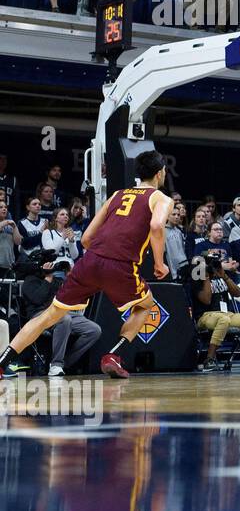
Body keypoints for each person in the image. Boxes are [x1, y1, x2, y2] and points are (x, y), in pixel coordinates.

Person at [0, 152, 172, 378]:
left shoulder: (117, 195)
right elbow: (157, 225)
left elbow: (86, 239)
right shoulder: (161, 198)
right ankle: (113, 355)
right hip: (120, 265)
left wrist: (99, 261)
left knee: (49, 315)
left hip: (90, 261)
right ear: (160, 173)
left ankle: (3, 362)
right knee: (145, 306)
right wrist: (159, 263)